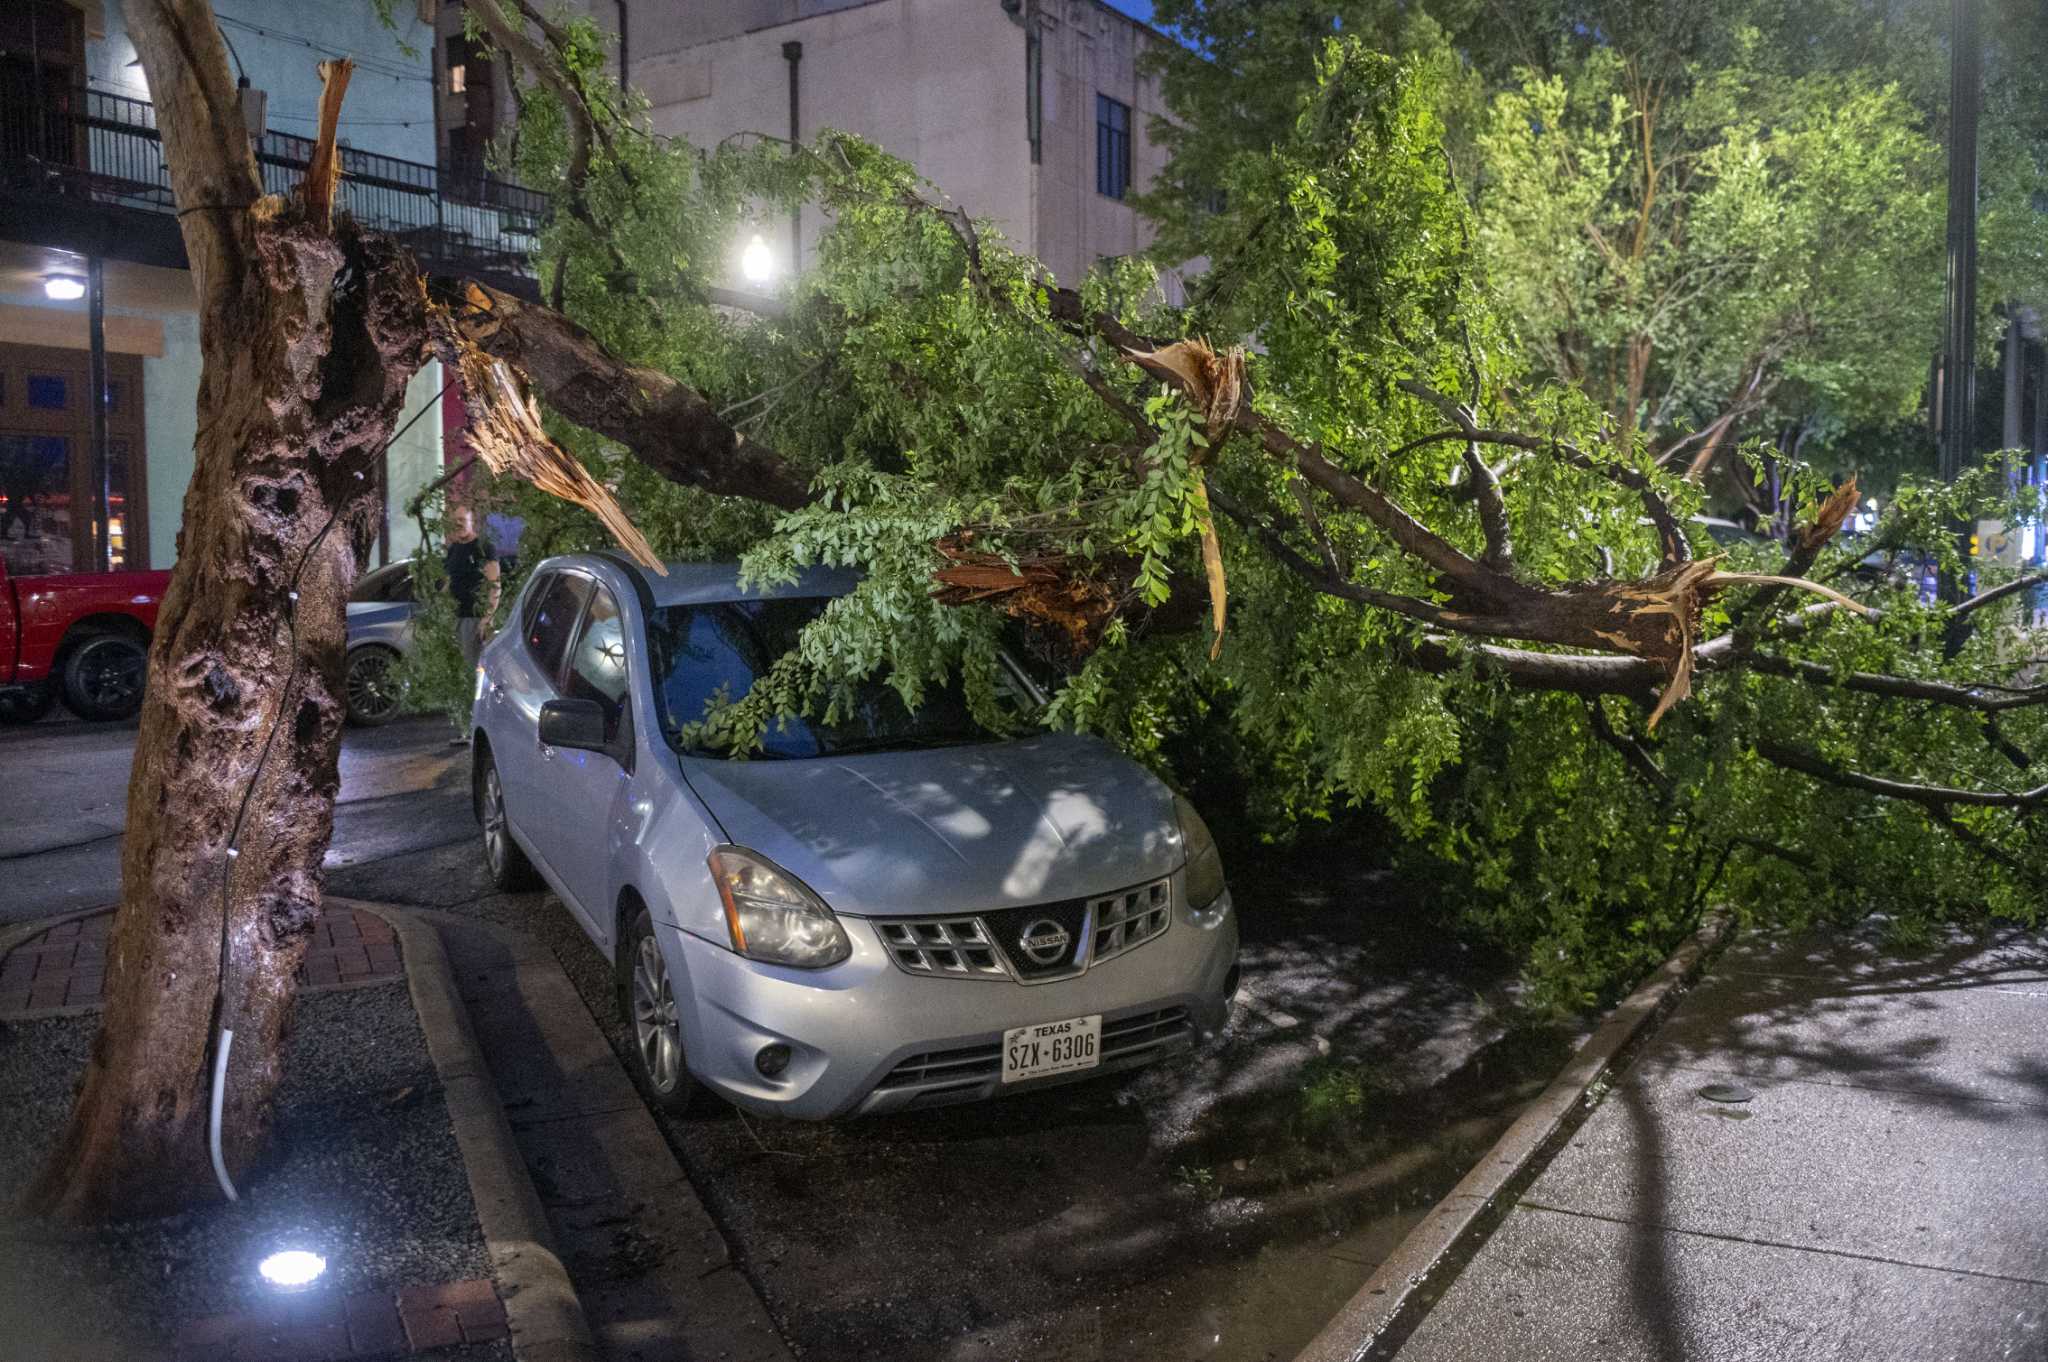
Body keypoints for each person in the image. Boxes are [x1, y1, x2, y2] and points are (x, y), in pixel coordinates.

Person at [445, 506, 500, 741]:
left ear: (471, 521)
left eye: (462, 520)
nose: (458, 524)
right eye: (455, 521)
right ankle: (469, 727)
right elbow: (450, 582)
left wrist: (487, 618)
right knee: (462, 673)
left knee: (476, 673)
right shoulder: (454, 549)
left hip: (475, 619)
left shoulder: (484, 548)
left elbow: (495, 584)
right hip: (457, 618)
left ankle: (479, 727)